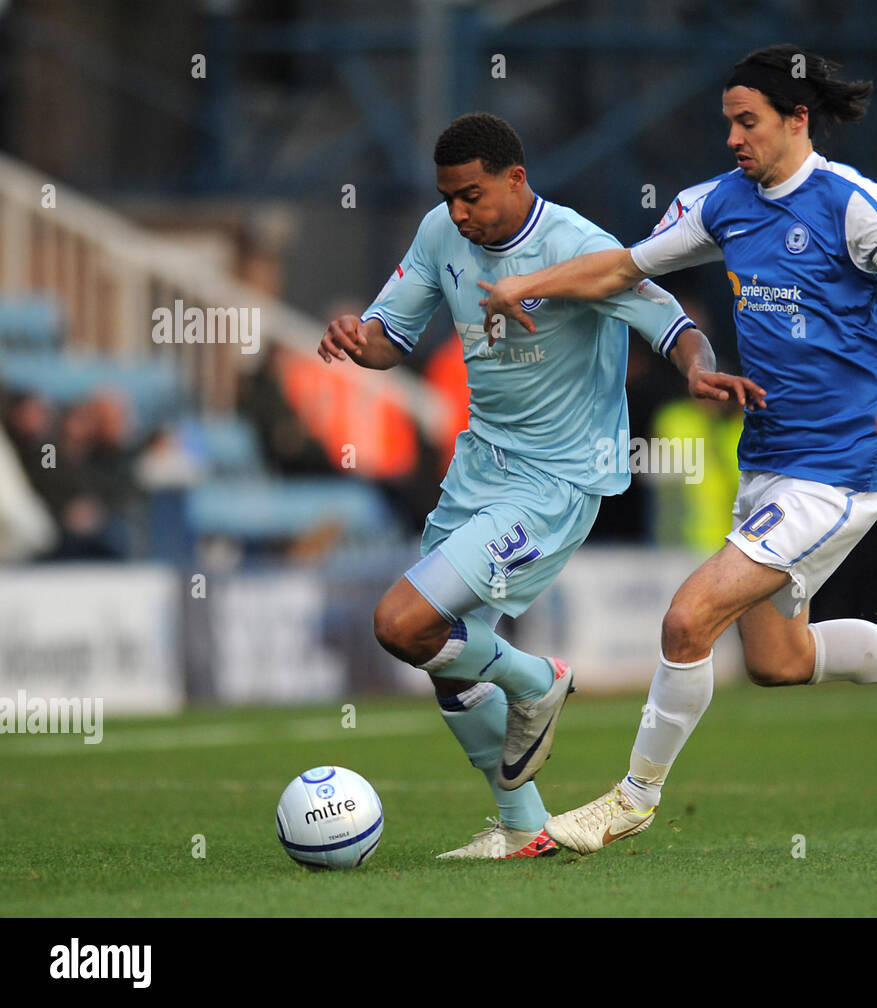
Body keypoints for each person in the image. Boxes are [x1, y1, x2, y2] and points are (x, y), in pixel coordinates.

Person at [479, 46, 877, 855]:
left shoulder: (852, 205)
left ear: (797, 119)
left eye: (748, 122)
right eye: (728, 123)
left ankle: (631, 800)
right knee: (781, 660)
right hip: (770, 460)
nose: (733, 138)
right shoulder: (719, 205)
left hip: (840, 468)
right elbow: (623, 270)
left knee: (687, 620)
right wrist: (523, 284)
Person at [318, 112, 759, 859]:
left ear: (515, 179)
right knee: (443, 653)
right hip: (477, 468)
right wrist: (358, 340)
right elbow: (391, 336)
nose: (460, 212)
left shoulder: (578, 247)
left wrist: (698, 370)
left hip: (555, 482)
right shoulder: (440, 233)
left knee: (400, 624)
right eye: (449, 197)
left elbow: (673, 324)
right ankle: (524, 829)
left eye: (472, 195)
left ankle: (535, 681)